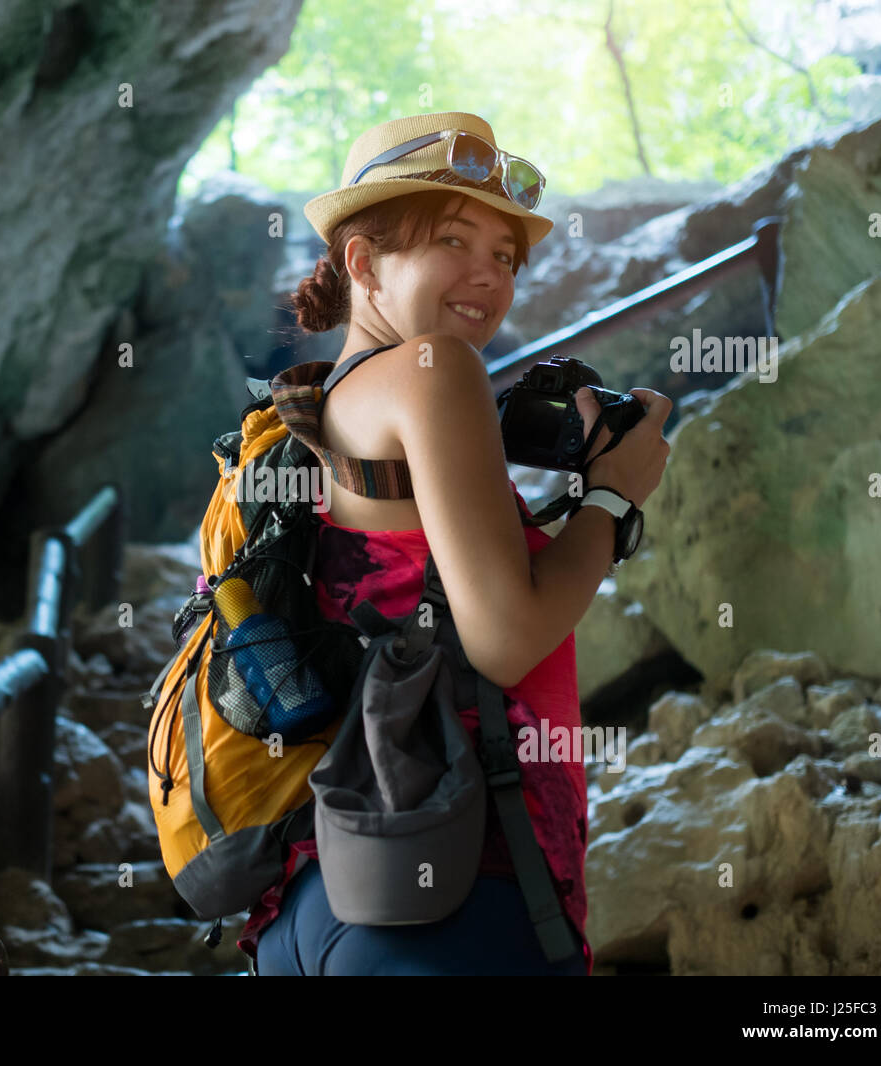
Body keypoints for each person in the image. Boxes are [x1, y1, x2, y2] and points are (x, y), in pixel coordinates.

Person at [241, 111, 671, 976]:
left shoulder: (324, 405)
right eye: (453, 239)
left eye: (506, 256)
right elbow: (505, 637)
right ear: (364, 264)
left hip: (322, 894)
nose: (489, 274)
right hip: (449, 898)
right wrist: (613, 499)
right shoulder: (438, 369)